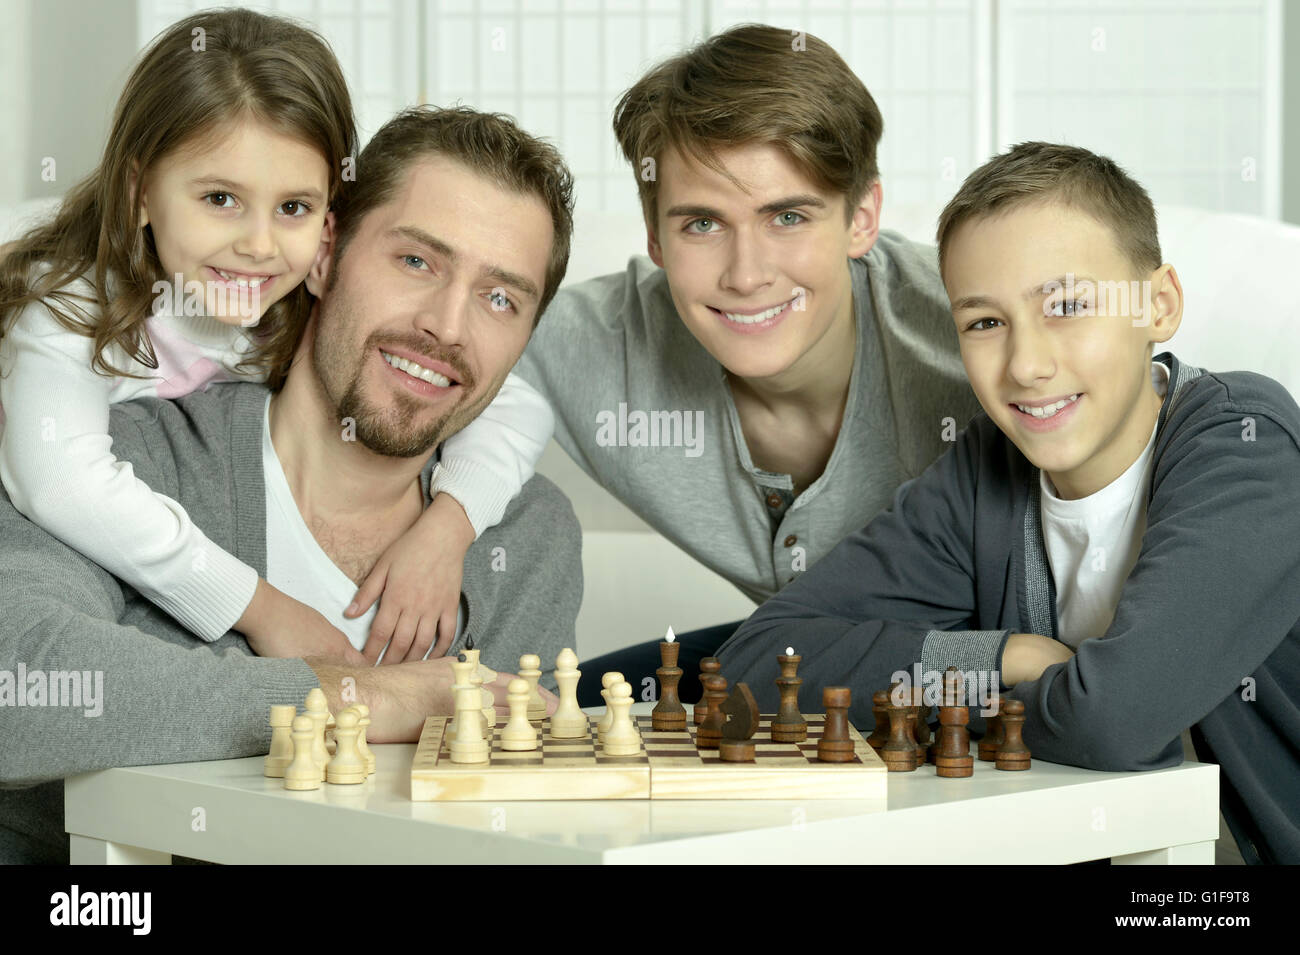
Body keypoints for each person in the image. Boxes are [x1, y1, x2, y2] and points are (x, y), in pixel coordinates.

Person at [0, 105, 582, 865]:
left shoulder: (526, 537)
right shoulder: (130, 460)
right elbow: (16, 685)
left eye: (500, 298)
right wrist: (360, 696)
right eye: (416, 261)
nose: (447, 326)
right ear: (325, 255)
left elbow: (508, 841)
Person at [715, 141, 1300, 865]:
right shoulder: (986, 470)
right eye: (984, 323)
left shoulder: (1246, 443)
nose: (1026, 365)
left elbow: (1115, 720)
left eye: (1068, 306)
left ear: (1159, 304)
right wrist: (1001, 657)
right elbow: (756, 663)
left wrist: (951, 704)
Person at [424, 24, 986, 703]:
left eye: (787, 217)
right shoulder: (598, 339)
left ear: (862, 217)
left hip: (989, 662)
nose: (746, 275)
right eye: (702, 224)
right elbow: (463, 354)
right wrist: (447, 523)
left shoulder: (975, 331)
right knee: (567, 710)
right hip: (797, 654)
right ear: (656, 236)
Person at [0, 9, 551, 667]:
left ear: (327, 227)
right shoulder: (67, 303)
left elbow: (516, 404)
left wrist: (448, 529)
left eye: (292, 207)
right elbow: (59, 483)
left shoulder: (284, 299)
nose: (259, 246)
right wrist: (261, 608)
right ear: (138, 192)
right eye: (220, 199)